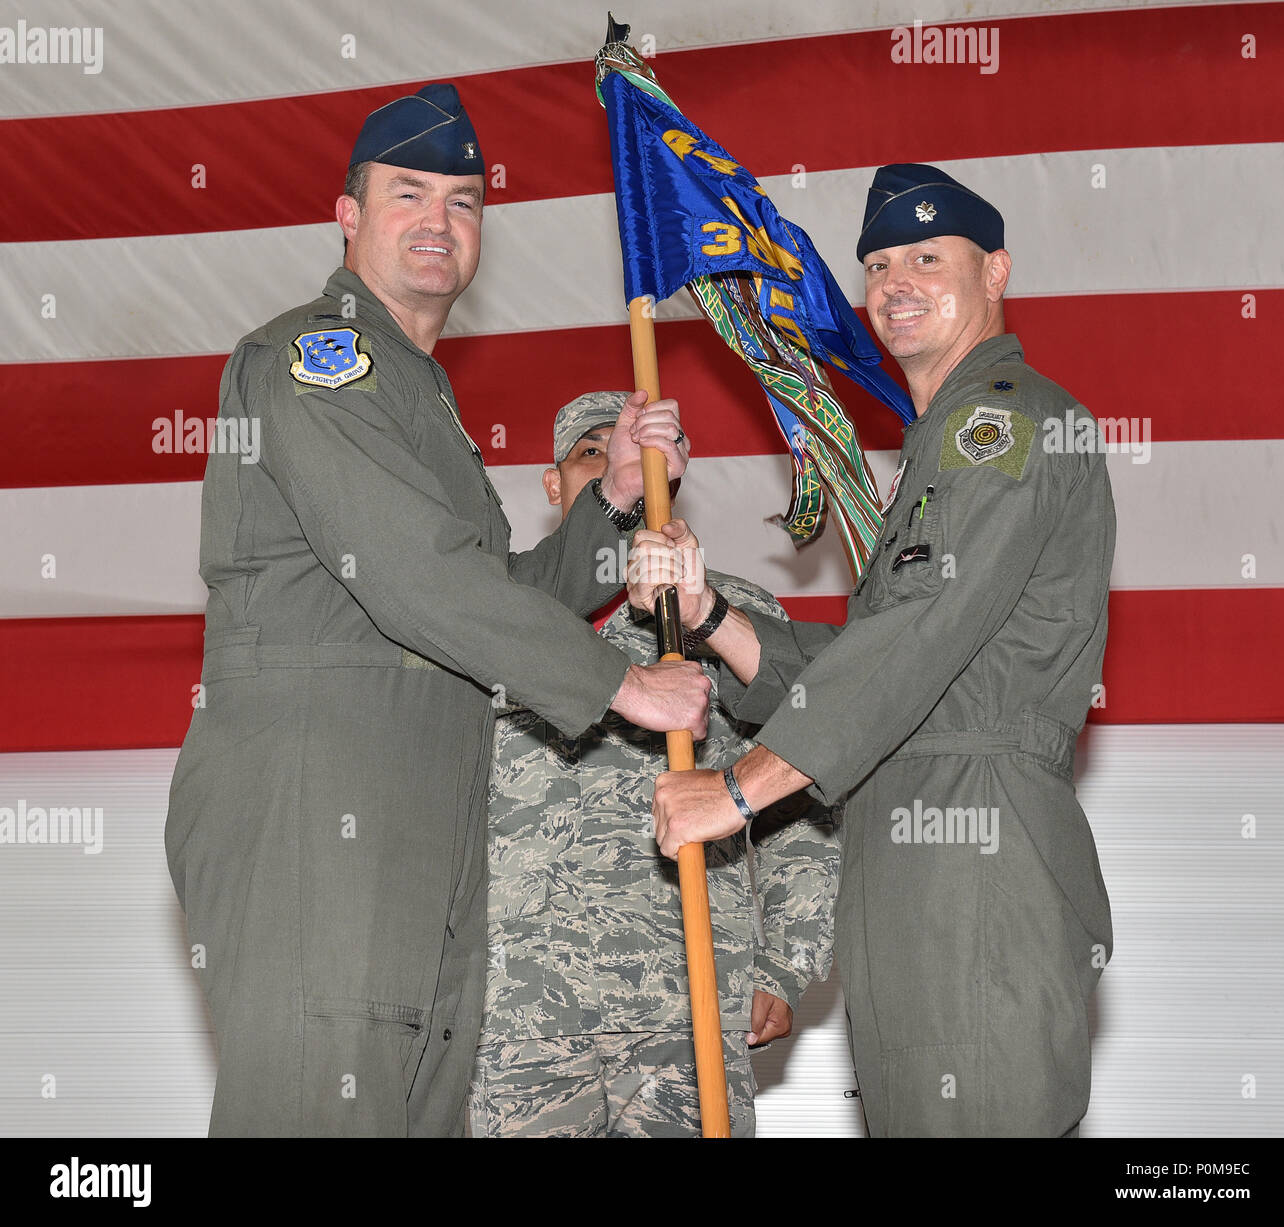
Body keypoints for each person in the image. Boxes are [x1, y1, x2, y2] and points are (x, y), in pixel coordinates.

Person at [164, 82, 711, 1137]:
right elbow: (414, 573)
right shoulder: (319, 358)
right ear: (347, 216)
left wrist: (604, 500)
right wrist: (621, 685)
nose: (438, 221)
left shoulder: (413, 394)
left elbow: (486, 603)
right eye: (407, 193)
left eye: (463, 203)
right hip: (320, 814)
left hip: (416, 826)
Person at [633, 164, 1115, 1137]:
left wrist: (738, 792)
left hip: (977, 852)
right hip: (912, 859)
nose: (895, 280)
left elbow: (914, 639)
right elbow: (888, 665)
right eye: (879, 264)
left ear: (996, 273)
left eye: (928, 258)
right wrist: (713, 613)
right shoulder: (938, 446)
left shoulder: (1003, 421)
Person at [468, 393, 840, 1138]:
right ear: (554, 485)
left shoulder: (727, 617)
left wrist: (785, 966)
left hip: (686, 1002)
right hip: (517, 1017)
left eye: (642, 456)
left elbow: (803, 796)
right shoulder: (494, 621)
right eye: (592, 453)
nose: (621, 468)